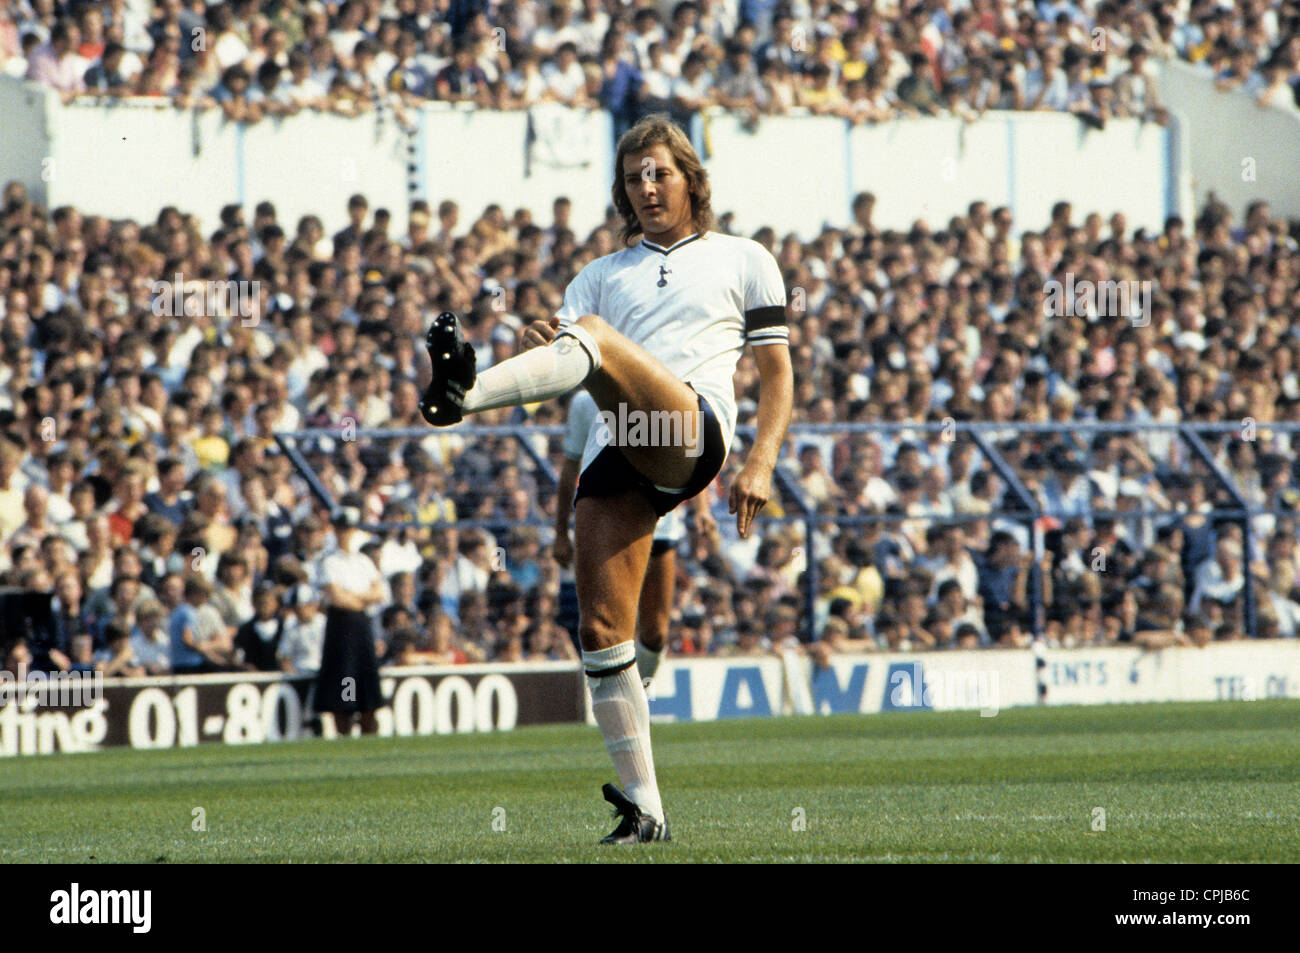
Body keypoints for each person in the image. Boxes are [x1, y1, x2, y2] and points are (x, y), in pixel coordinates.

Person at [420, 114, 793, 842]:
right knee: (598, 631)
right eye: (634, 178)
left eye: (660, 173)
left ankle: (462, 394)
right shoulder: (597, 274)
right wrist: (546, 350)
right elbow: (577, 372)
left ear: (692, 178)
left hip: (689, 431)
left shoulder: (745, 258)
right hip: (616, 447)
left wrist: (763, 460)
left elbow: (778, 372)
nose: (647, 187)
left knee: (590, 336)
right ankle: (647, 808)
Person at [554, 389, 712, 687]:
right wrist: (561, 533)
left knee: (656, 632)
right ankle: (617, 707)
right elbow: (570, 466)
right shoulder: (585, 403)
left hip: (661, 525)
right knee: (610, 627)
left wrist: (702, 508)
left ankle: (641, 695)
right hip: (606, 524)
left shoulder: (658, 387)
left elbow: (685, 452)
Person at [315, 495, 386, 736]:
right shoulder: (328, 561)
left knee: (366, 693)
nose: (343, 533)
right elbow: (336, 598)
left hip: (360, 628)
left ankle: (367, 736)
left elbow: (380, 592)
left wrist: (353, 597)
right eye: (340, 529)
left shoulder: (363, 560)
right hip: (341, 629)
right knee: (343, 690)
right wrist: (361, 598)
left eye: (347, 529)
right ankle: (344, 735)